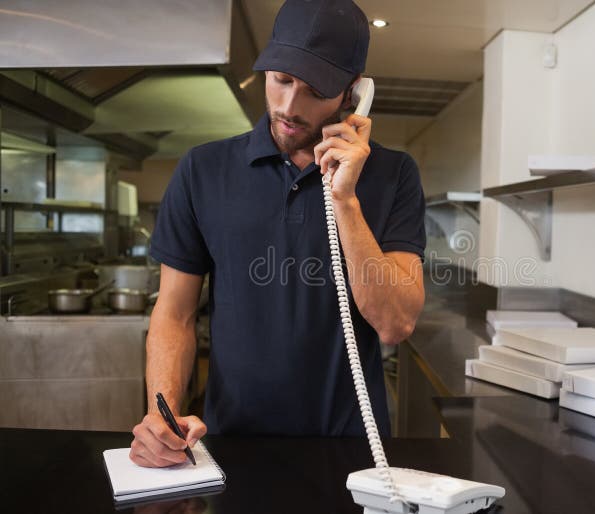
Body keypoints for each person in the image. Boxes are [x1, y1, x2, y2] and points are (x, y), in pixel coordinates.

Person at [129, 0, 426, 468]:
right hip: (230, 447)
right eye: (281, 79)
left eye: (313, 90)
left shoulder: (394, 175)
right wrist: (160, 413)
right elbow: (175, 313)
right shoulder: (202, 170)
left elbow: (396, 324)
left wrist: (345, 200)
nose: (289, 106)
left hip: (352, 453)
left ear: (353, 93)